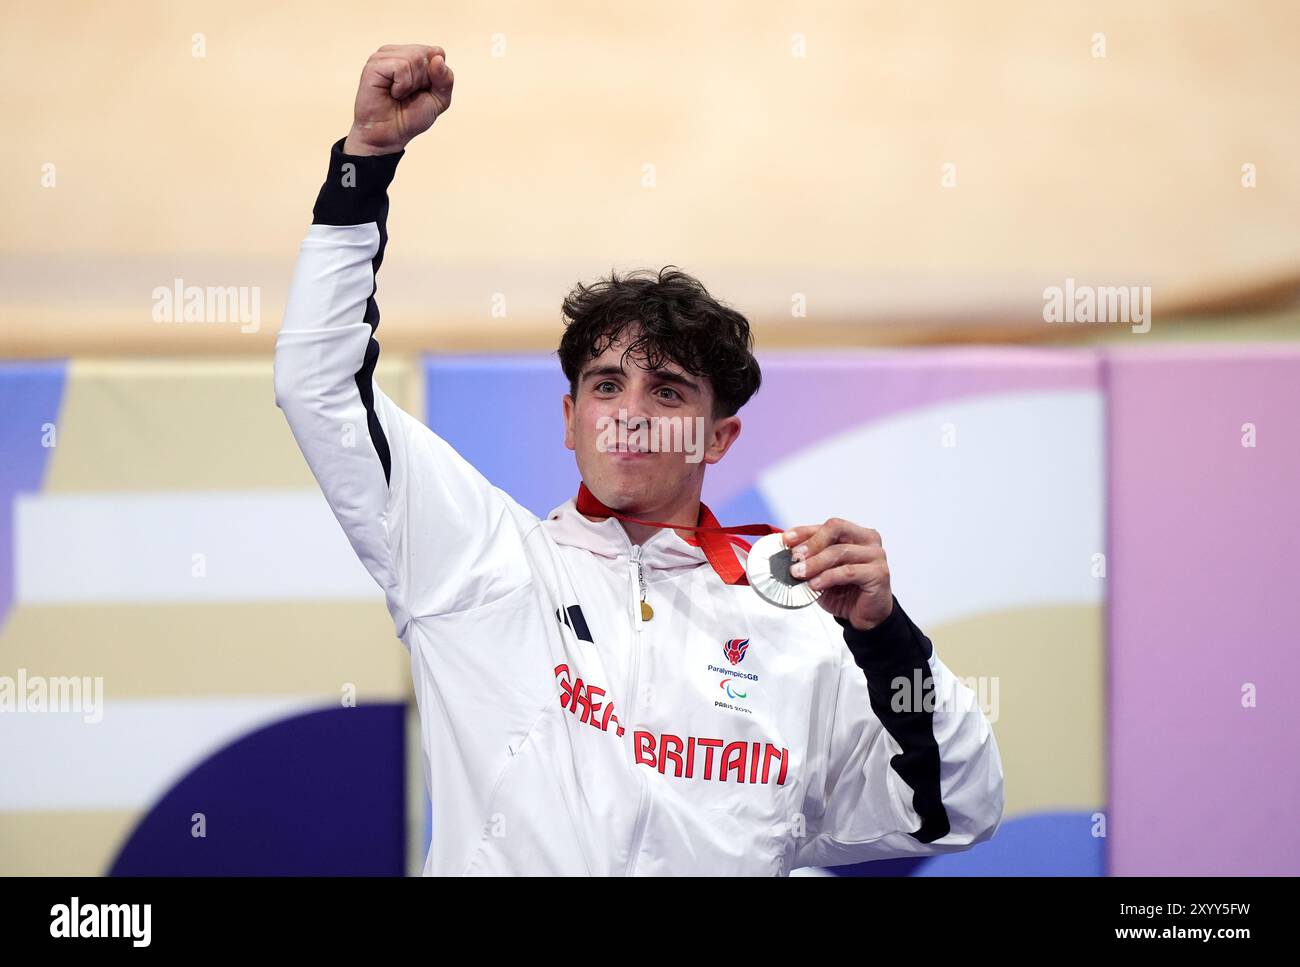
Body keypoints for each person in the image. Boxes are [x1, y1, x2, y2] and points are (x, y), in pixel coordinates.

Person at [274, 43, 1004, 876]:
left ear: (718, 437)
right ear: (570, 420)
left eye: (666, 391)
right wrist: (366, 163)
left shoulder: (799, 623)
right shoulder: (476, 559)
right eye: (606, 385)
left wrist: (888, 640)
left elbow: (955, 807)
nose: (628, 414)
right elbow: (318, 386)